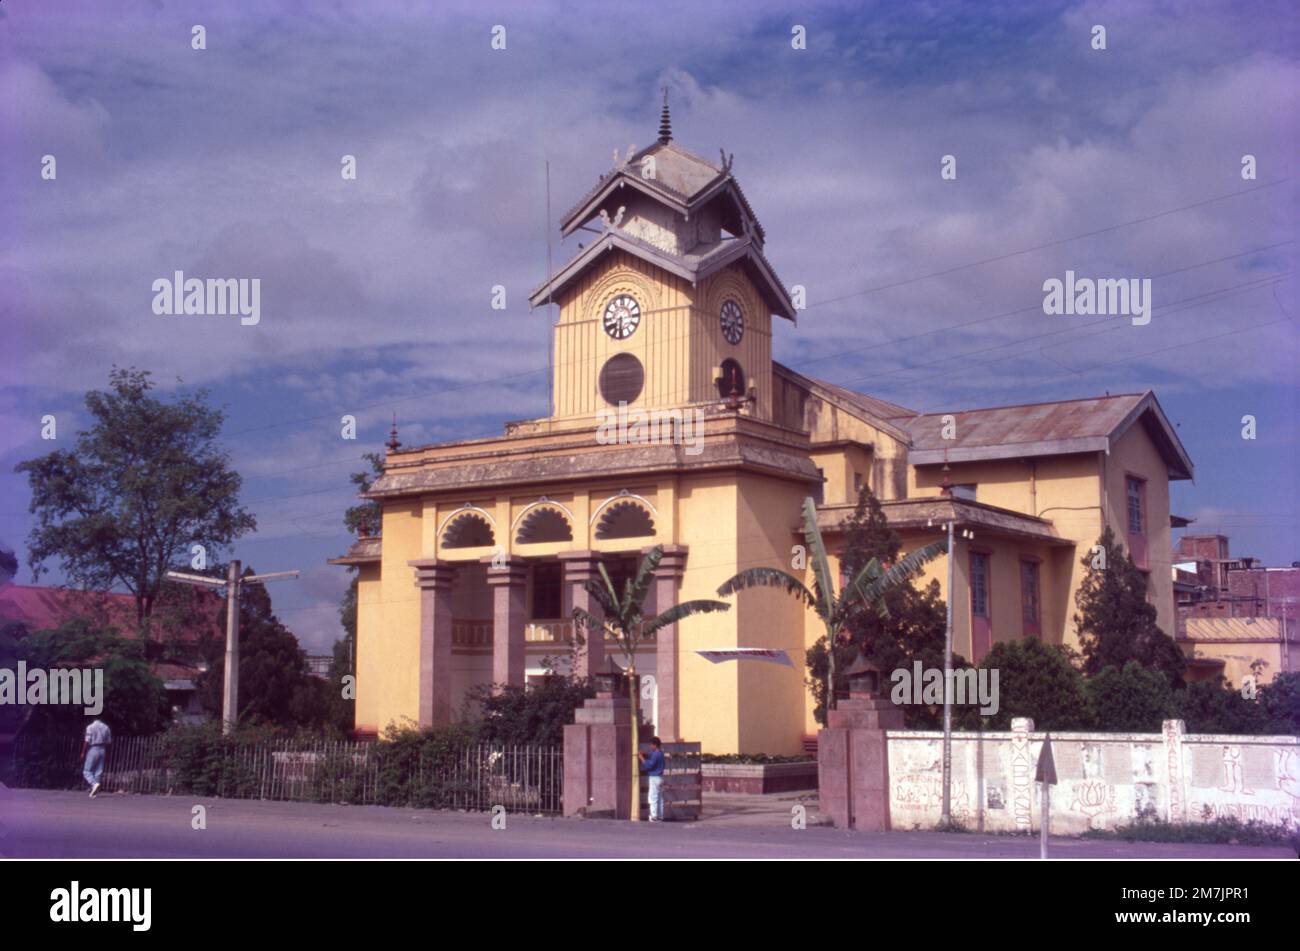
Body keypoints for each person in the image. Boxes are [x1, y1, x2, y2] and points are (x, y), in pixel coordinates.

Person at [81, 715, 111, 798]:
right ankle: (94, 791)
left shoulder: (90, 727)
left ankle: (94, 784)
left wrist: (83, 752)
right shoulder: (106, 727)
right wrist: (108, 754)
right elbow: (109, 742)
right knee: (99, 771)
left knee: (87, 771)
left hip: (93, 748)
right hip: (103, 749)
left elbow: (87, 741)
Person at [638, 736, 666, 822]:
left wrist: (641, 758)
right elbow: (650, 755)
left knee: (653, 798)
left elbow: (649, 765)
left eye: (651, 745)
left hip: (654, 778)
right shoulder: (660, 753)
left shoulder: (656, 754)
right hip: (660, 778)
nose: (650, 747)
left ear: (655, 745)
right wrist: (644, 754)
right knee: (660, 798)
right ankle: (660, 816)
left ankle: (654, 816)